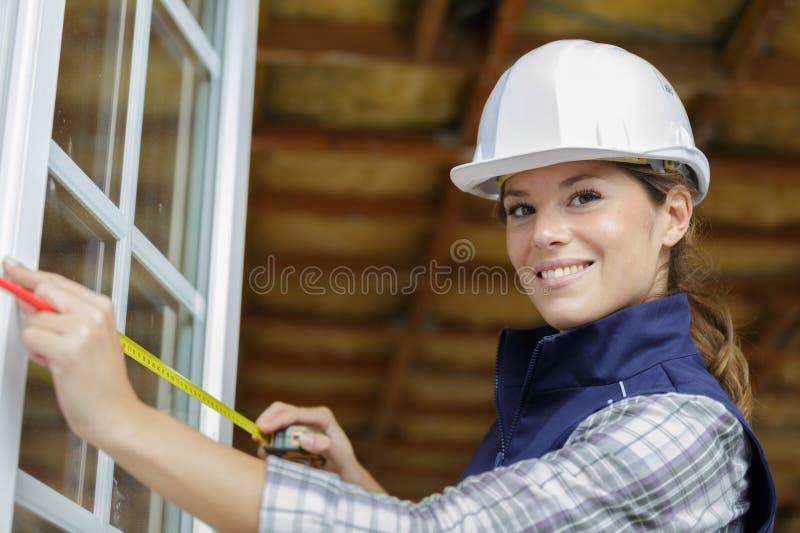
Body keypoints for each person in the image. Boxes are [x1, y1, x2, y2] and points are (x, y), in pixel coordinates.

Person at [5, 39, 775, 532]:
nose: (544, 232)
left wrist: (117, 420)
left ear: (673, 214)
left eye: (583, 196)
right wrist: (359, 486)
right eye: (520, 206)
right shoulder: (575, 397)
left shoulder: (678, 431)